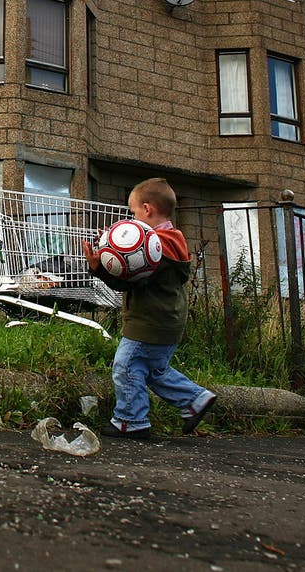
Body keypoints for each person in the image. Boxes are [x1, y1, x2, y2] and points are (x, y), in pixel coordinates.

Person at [82, 178, 217, 440]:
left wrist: (100, 267)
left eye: (133, 212)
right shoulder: (173, 240)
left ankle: (130, 420)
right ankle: (195, 399)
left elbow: (129, 282)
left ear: (147, 209)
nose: (132, 218)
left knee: (126, 366)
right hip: (168, 321)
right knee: (154, 371)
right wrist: (113, 247)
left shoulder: (154, 246)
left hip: (148, 321)